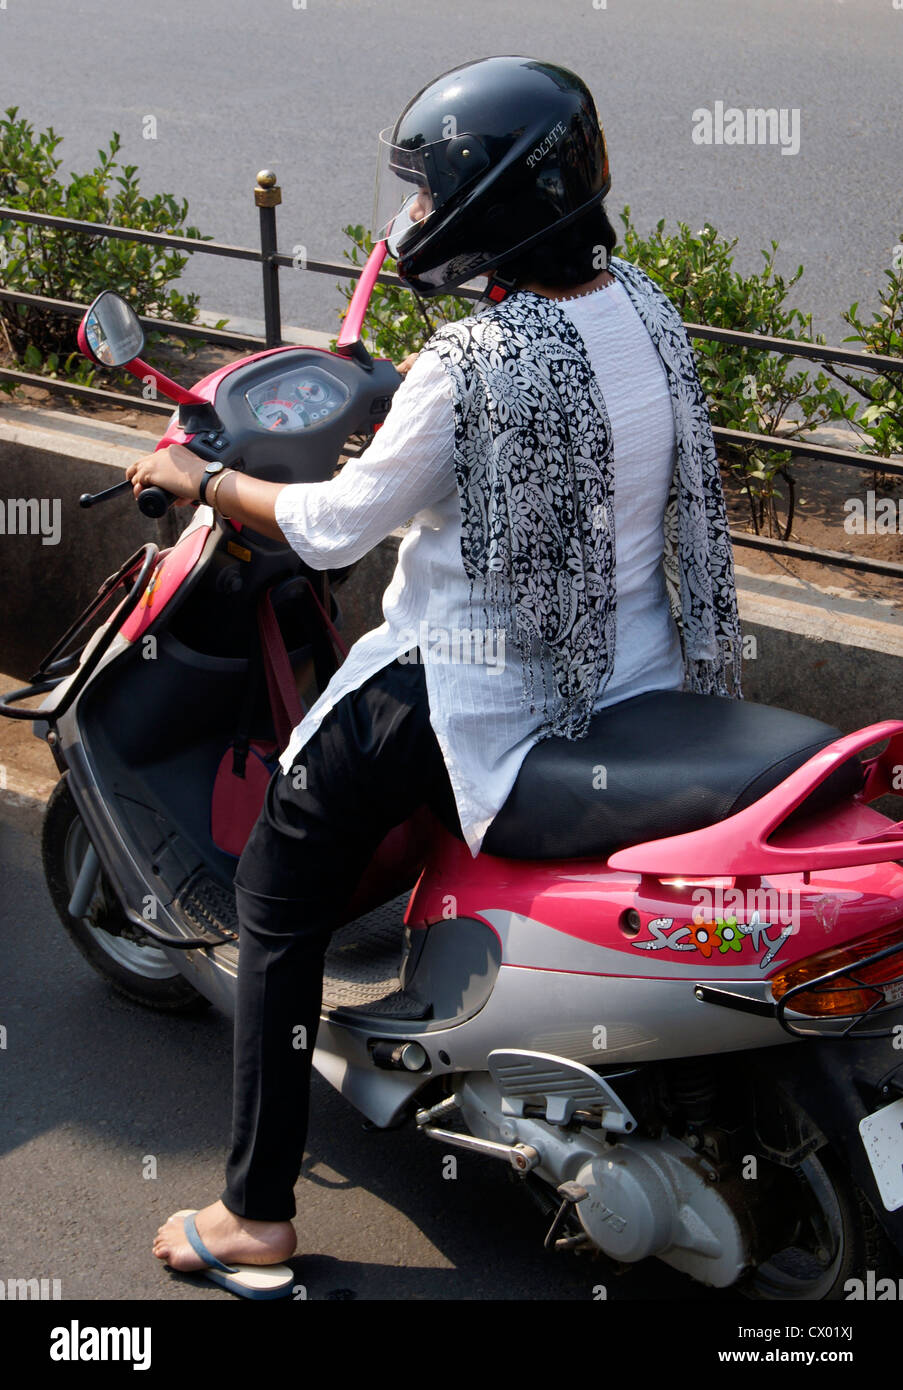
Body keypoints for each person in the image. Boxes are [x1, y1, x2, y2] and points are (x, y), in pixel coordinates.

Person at [141, 55, 742, 1284]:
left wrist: (201, 480)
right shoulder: (646, 310)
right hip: (633, 668)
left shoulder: (475, 366)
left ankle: (256, 1213)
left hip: (478, 689)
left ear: (487, 202)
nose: (414, 220)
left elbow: (327, 530)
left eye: (427, 196)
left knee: (275, 885)